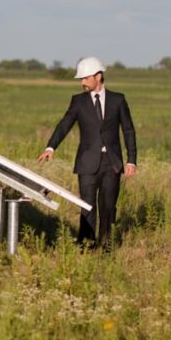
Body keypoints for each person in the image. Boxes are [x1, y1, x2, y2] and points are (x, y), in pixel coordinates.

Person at [37, 57, 137, 249]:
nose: (82, 82)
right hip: (86, 162)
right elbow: (64, 125)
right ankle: (87, 244)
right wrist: (51, 147)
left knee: (108, 206)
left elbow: (129, 131)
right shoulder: (78, 101)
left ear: (98, 76)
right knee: (87, 205)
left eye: (85, 78)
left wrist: (132, 161)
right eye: (80, 79)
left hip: (112, 163)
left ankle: (105, 245)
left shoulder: (118, 100)